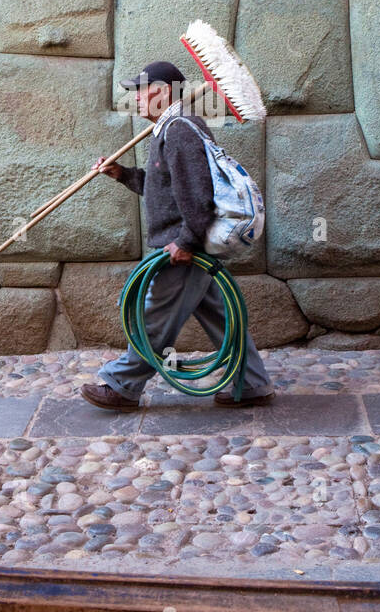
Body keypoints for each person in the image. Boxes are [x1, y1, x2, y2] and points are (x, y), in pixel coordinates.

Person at [79, 60, 274, 411]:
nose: (136, 98)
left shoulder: (180, 130)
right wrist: (122, 174)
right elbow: (163, 188)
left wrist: (186, 242)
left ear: (164, 92)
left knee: (152, 320)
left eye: (142, 90)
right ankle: (253, 382)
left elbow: (198, 196)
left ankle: (123, 385)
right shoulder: (168, 129)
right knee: (221, 316)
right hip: (183, 245)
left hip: (179, 251)